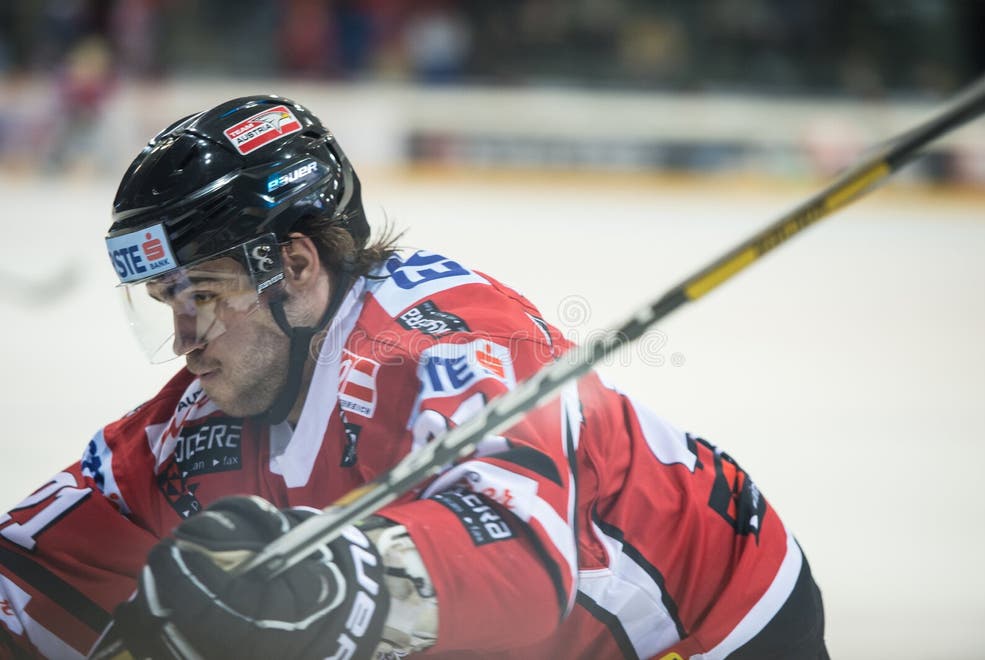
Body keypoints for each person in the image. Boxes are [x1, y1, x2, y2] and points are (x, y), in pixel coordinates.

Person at [0, 96, 828, 660]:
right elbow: (36, 571)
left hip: (702, 618)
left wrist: (334, 584)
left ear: (296, 266)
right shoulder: (203, 418)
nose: (184, 341)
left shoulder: (451, 342)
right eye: (166, 305)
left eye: (205, 297)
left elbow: (523, 564)